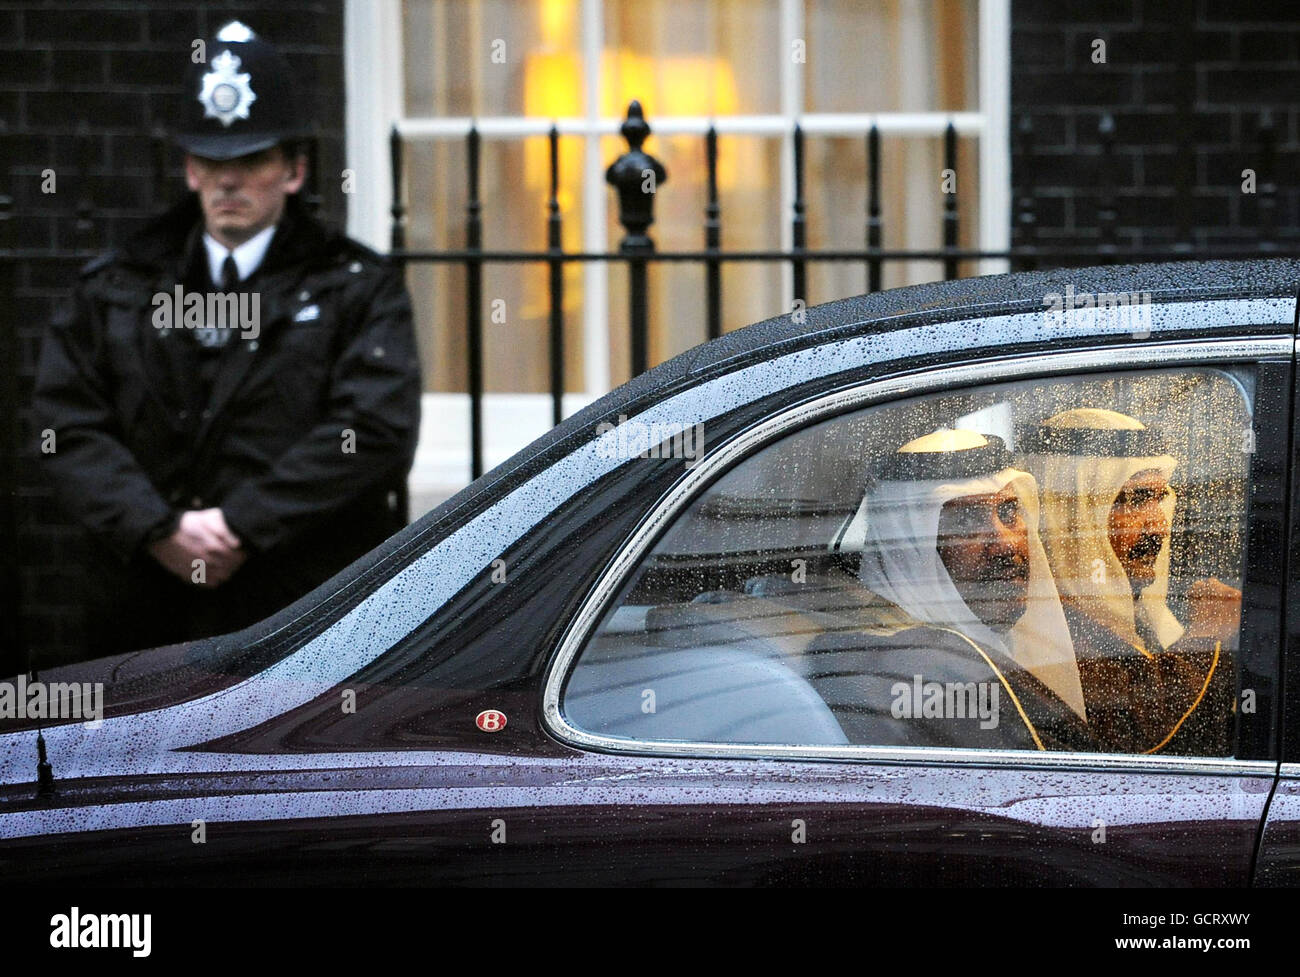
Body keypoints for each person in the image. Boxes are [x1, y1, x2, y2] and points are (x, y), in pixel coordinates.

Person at [32, 21, 422, 657]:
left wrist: (240, 526)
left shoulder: (356, 286)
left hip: (303, 613)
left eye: (252, 160)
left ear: (294, 171)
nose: (228, 181)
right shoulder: (117, 284)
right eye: (212, 162)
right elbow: (67, 425)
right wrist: (159, 529)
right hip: (144, 614)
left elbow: (373, 428)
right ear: (189, 170)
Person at [799, 428, 1095, 751]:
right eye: (965, 523)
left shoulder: (1000, 634)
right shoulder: (892, 666)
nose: (1005, 544)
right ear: (910, 544)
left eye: (1009, 513)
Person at [1020, 408, 1238, 755]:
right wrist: (1211, 632)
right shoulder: (1055, 629)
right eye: (1133, 501)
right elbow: (1142, 749)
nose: (1157, 526)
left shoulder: (1139, 614)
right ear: (1071, 517)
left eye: (1159, 498)